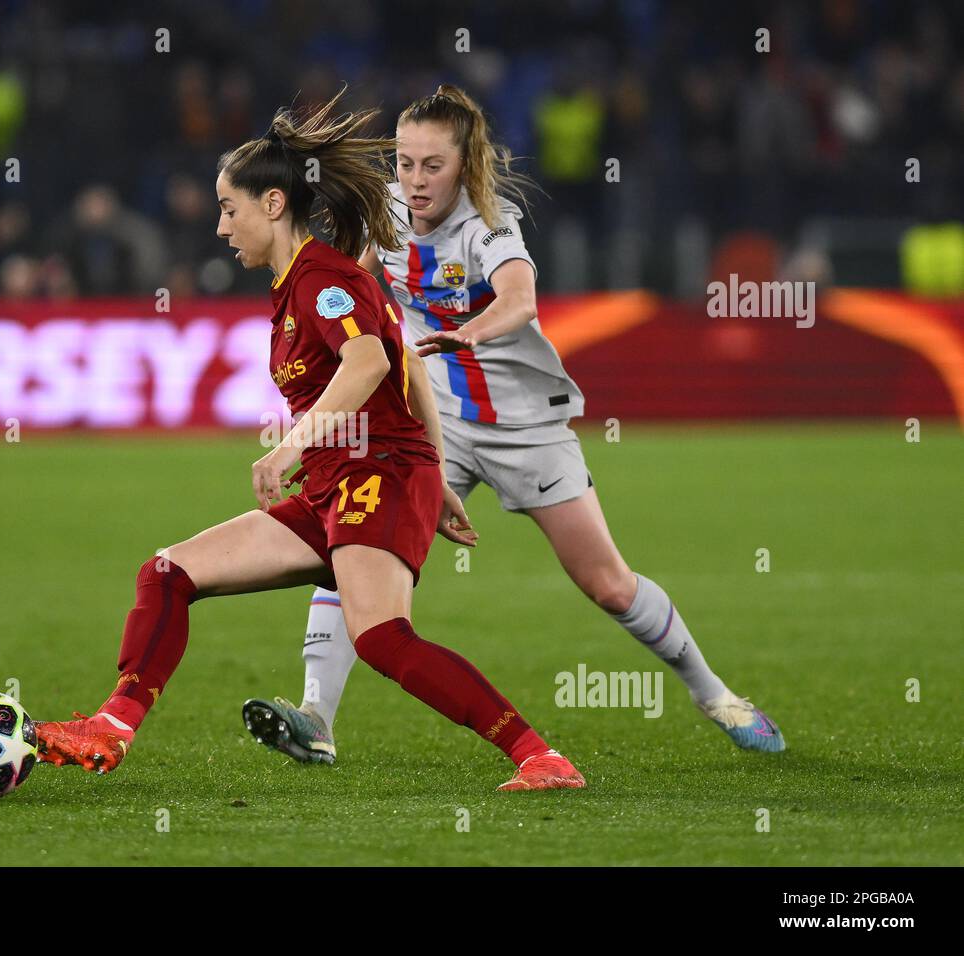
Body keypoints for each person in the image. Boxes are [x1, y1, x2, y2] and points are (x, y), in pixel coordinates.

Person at [33, 90, 586, 792]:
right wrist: (438, 470)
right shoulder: (301, 282)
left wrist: (296, 445)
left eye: (229, 208)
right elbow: (410, 364)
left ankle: (541, 758)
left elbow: (372, 363)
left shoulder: (324, 282)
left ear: (272, 204)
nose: (220, 226)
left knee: (382, 638)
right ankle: (109, 730)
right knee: (166, 574)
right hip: (342, 483)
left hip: (375, 473)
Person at [244, 85, 785, 766]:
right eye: (405, 163)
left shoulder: (489, 222)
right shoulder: (387, 213)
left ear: (465, 165)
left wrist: (470, 332)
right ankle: (316, 716)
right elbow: (342, 281)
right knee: (351, 541)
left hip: (524, 426)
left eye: (431, 166)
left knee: (608, 584)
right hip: (430, 419)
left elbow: (520, 299)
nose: (414, 180)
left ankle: (717, 696)